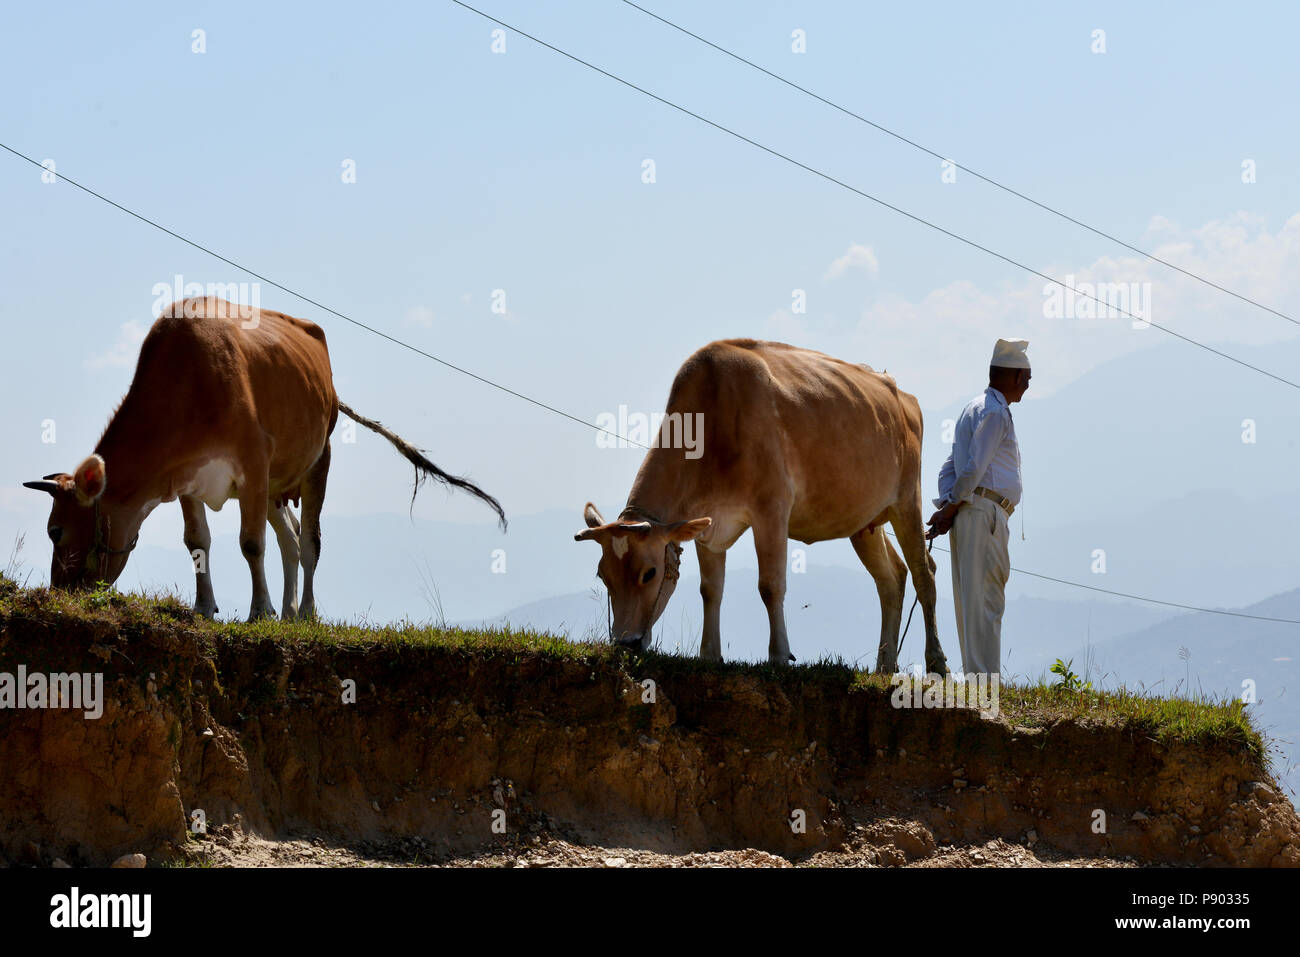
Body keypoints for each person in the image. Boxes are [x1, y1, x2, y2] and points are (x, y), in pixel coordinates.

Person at [925, 338, 1031, 678]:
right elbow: (972, 470)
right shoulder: (997, 413)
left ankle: (976, 678)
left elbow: (950, 468)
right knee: (987, 599)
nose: (1028, 385)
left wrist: (948, 506)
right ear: (1014, 377)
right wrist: (951, 507)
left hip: (969, 512)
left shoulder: (972, 408)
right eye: (1026, 377)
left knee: (970, 600)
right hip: (986, 513)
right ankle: (985, 684)